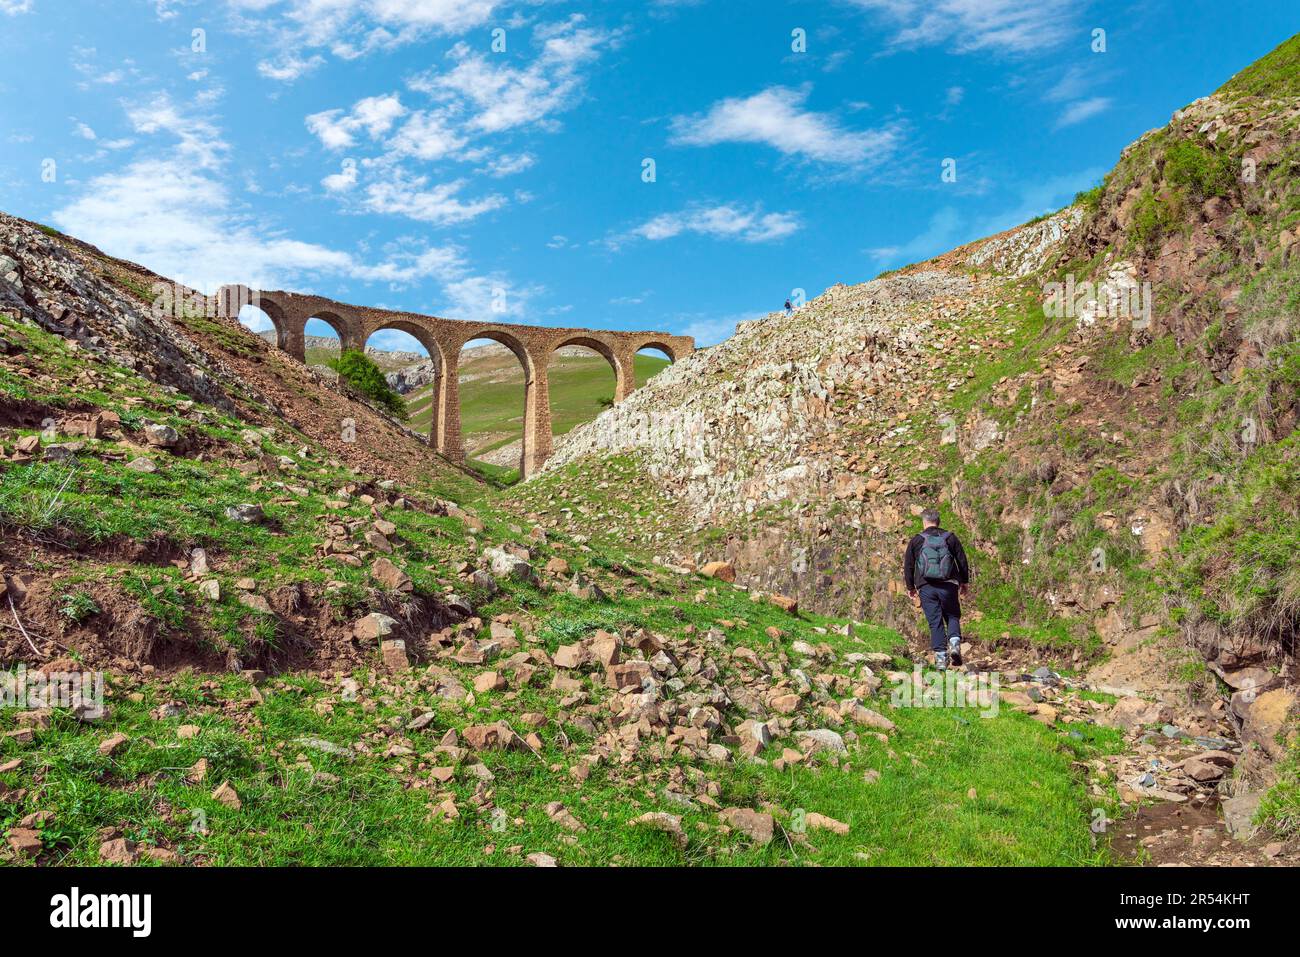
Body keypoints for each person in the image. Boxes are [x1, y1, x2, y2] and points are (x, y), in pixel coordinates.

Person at [903, 508, 971, 670]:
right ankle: (954, 643)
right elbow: (962, 560)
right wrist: (964, 582)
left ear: (924, 522)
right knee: (952, 615)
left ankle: (941, 659)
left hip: (926, 586)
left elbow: (909, 565)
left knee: (935, 621)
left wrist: (910, 587)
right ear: (939, 521)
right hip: (949, 584)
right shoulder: (950, 538)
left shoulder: (917, 540)